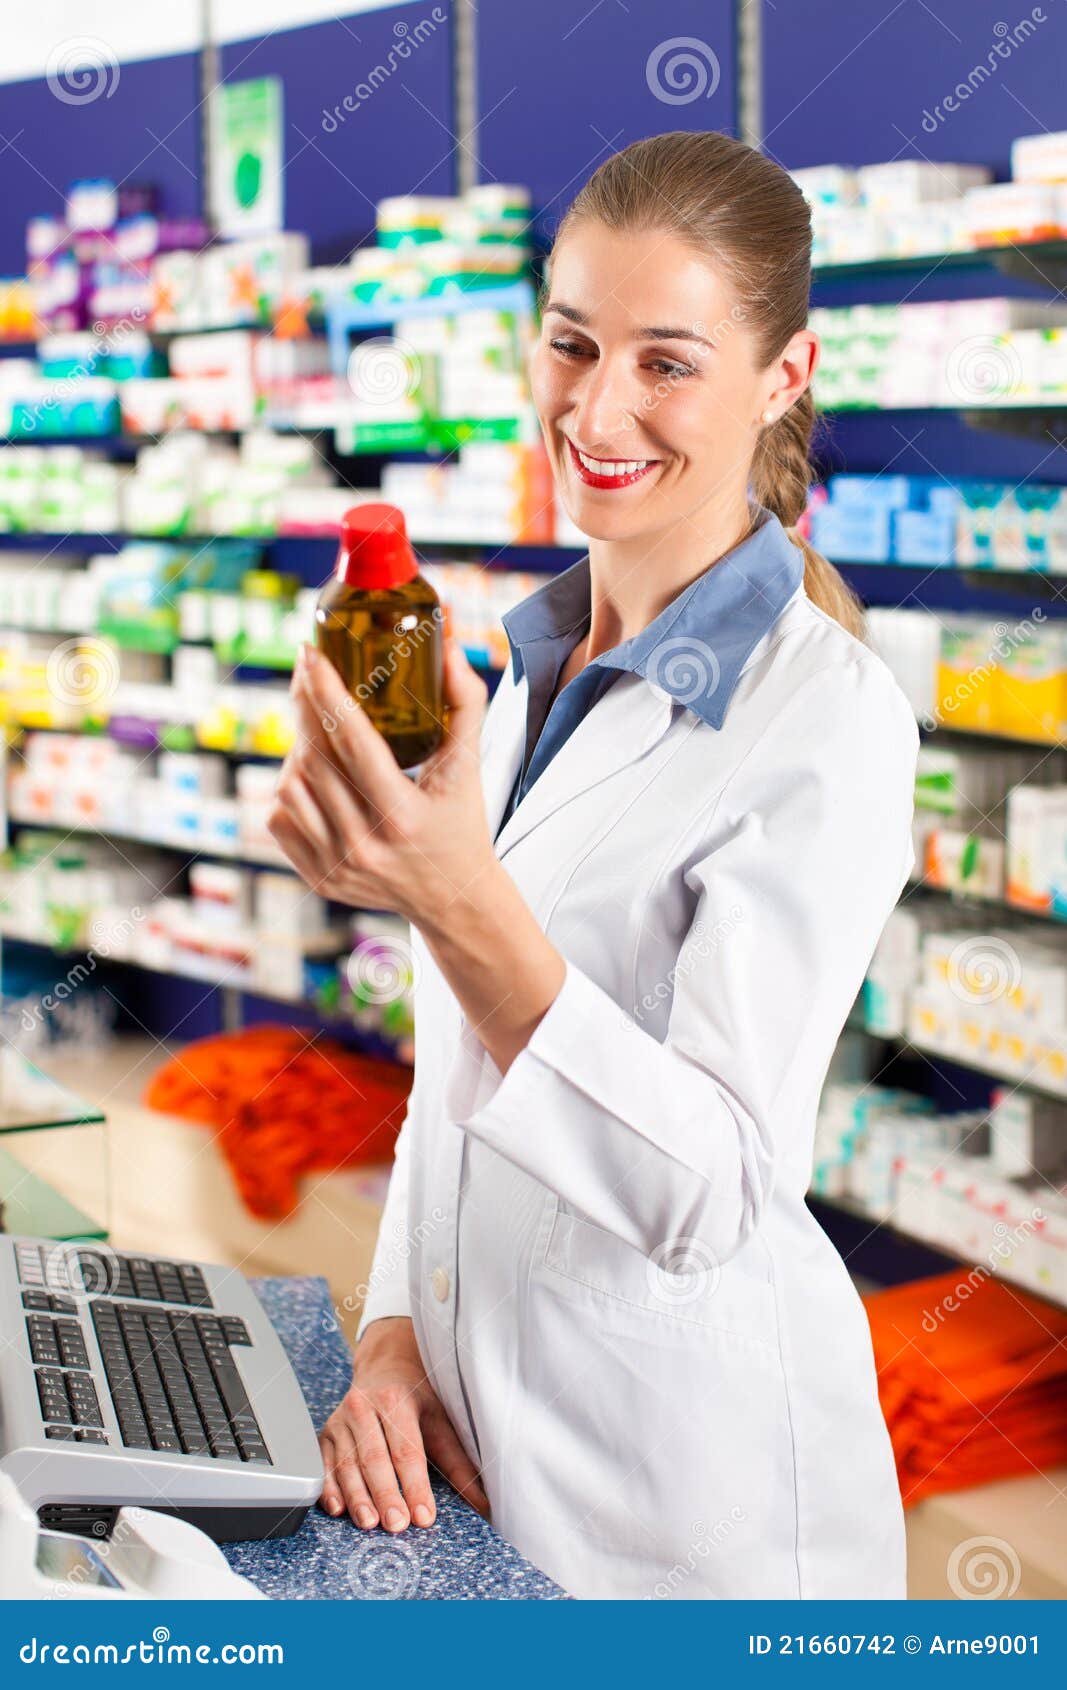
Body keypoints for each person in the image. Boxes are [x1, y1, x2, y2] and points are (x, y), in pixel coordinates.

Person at [268, 129, 919, 1600]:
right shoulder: (519, 666)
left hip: (693, 1526)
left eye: (668, 361)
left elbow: (711, 1187)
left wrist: (452, 894)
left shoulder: (828, 719)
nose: (598, 404)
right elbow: (454, 1090)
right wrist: (390, 1336)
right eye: (572, 342)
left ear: (785, 378)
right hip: (471, 1458)